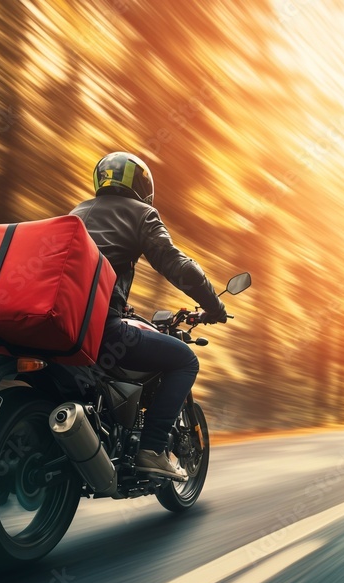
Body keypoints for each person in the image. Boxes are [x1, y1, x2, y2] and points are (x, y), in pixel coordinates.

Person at [70, 152, 227, 481]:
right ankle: (153, 449)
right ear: (141, 185)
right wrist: (213, 306)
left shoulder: (77, 213)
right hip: (101, 331)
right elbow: (179, 267)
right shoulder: (141, 213)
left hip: (64, 326)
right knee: (185, 361)